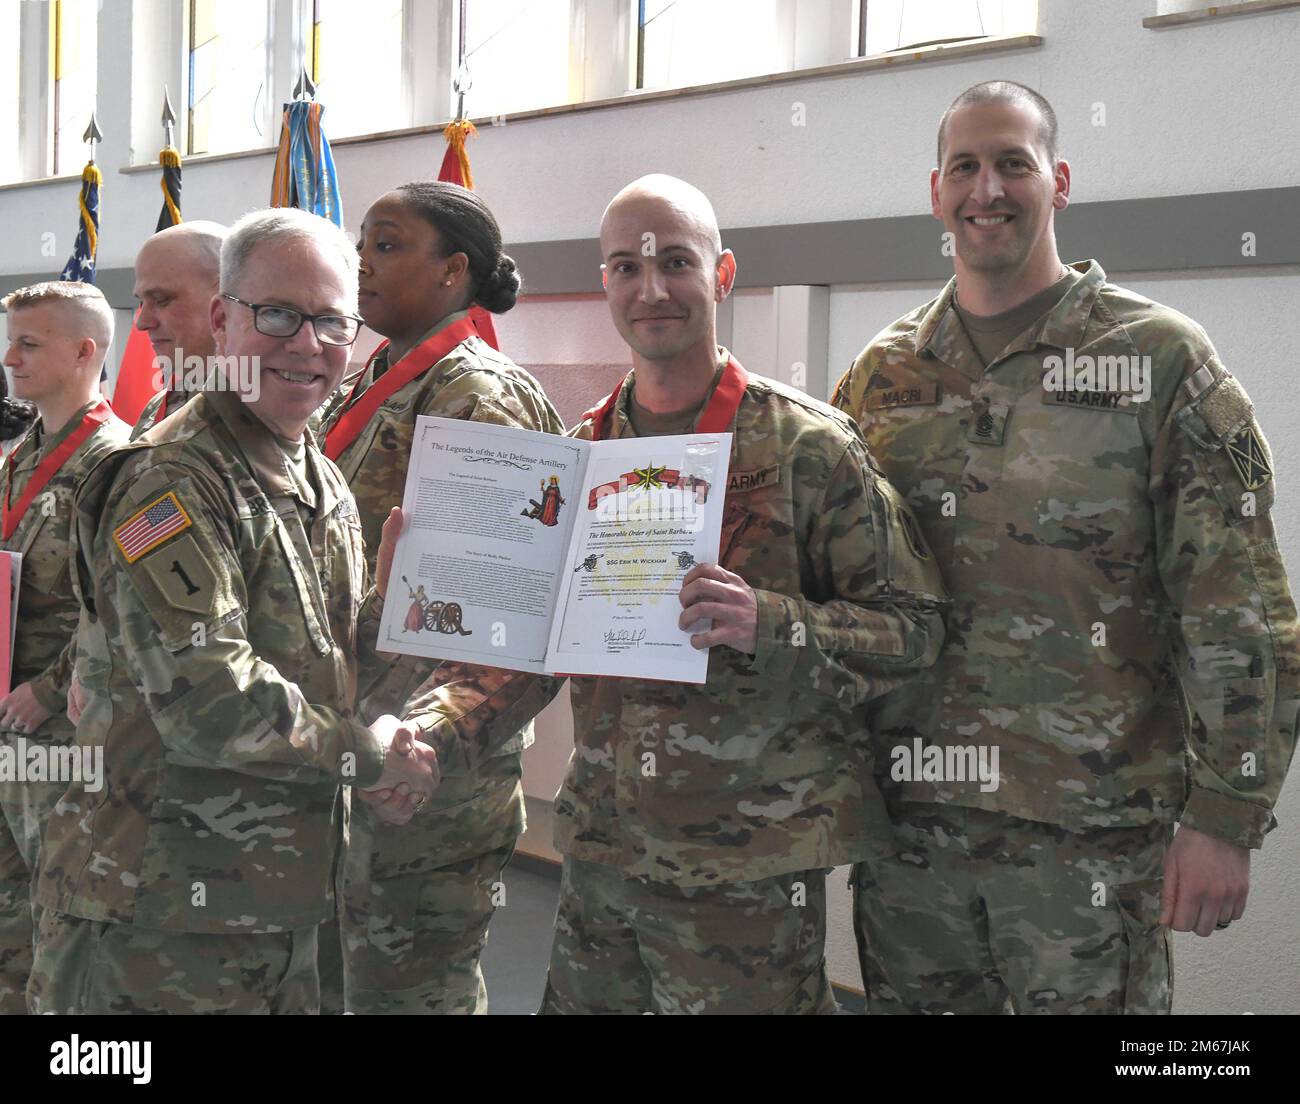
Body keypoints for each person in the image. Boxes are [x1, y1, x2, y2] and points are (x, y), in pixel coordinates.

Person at [385, 174, 948, 1014]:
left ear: (722, 275)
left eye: (674, 262)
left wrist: (773, 622)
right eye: (625, 268)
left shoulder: (808, 449)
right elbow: (524, 647)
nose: (650, 290)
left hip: (749, 871)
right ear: (605, 281)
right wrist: (429, 732)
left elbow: (916, 632)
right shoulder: (578, 457)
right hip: (604, 852)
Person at [832, 80, 1299, 1014]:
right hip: (915, 831)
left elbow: (1240, 609)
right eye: (964, 166)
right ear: (935, 191)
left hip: (1089, 840)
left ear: (1060, 180)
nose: (987, 189)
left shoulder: (1160, 361)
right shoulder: (884, 375)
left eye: (1014, 162)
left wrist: (1226, 818)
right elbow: (845, 589)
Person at [27, 208, 438, 1014]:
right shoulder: (171, 479)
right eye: (278, 315)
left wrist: (401, 633)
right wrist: (366, 757)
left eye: (332, 322)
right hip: (154, 917)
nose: (307, 344)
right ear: (223, 318)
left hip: (280, 899)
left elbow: (329, 666)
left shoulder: (314, 476)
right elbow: (210, 699)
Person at [321, 181, 563, 1015]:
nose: (362, 261)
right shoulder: (367, 382)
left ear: (454, 270)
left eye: (387, 244)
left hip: (426, 778)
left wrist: (420, 740)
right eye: (362, 244)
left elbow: (514, 618)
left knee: (410, 999)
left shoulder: (479, 401)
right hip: (351, 750)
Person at [0, 283, 130, 1013]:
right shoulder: (21, 457)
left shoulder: (118, 465)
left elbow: (115, 608)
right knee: (8, 911)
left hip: (60, 729)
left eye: (28, 343)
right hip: (7, 717)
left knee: (59, 910)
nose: (8, 358)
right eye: (10, 340)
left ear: (85, 352)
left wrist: (46, 690)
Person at [130, 221, 228, 439]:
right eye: (141, 303)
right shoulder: (161, 405)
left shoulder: (282, 411)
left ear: (224, 296)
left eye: (161, 299)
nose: (142, 322)